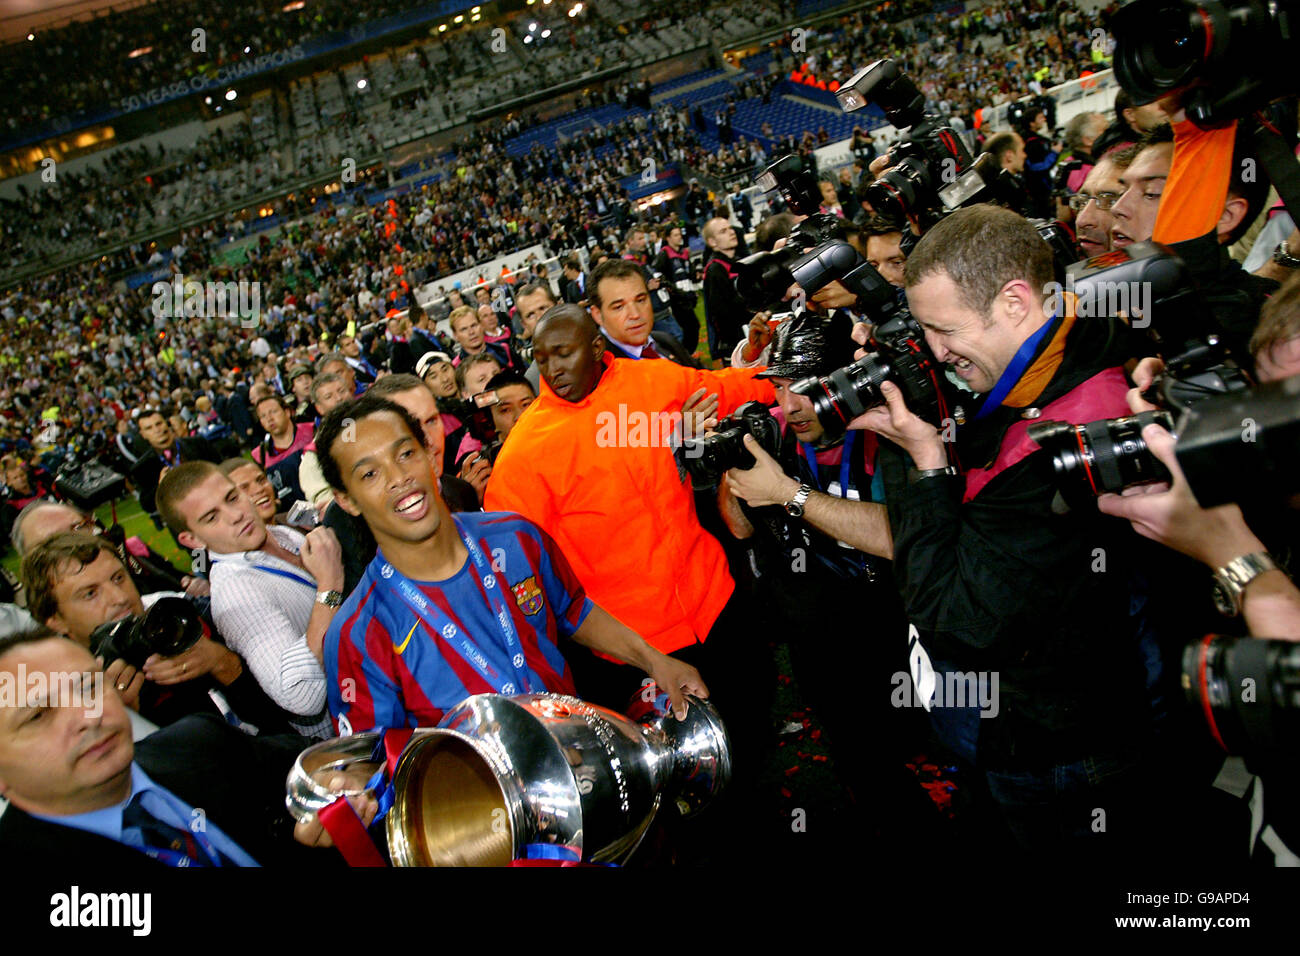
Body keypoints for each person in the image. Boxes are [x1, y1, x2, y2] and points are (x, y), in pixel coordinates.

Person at [726, 205, 1162, 860]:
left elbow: (954, 616)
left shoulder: (1071, 432)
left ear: (1016, 302)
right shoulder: (1036, 372)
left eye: (942, 330)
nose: (934, 355)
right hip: (1021, 726)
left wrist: (920, 456)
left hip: (1065, 746)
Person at [484, 305, 777, 790]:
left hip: (717, 604)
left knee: (753, 731)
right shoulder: (523, 457)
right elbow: (520, 578)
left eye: (564, 353)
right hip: (633, 654)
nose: (551, 369)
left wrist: (789, 377)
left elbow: (733, 389)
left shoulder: (654, 381)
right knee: (681, 788)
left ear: (597, 349)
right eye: (540, 357)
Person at [314, 394, 707, 733]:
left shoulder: (515, 536)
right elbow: (376, 763)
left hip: (584, 755)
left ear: (430, 456)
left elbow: (573, 609)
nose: (399, 477)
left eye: (405, 454)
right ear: (345, 500)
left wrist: (653, 660)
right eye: (369, 473)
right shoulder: (356, 635)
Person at [0, 630, 318, 867]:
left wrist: (336, 795)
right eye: (38, 715)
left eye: (89, 687)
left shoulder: (198, 743)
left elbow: (326, 765)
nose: (88, 716)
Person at [21, 532, 292, 735]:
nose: (120, 598)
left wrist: (225, 665)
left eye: (118, 578)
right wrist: (124, 724)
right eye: (90, 593)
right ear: (54, 620)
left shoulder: (180, 623)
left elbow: (284, 729)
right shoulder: (62, 704)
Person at [155, 462, 341, 738]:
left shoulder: (278, 533)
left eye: (232, 497)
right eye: (211, 517)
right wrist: (330, 587)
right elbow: (299, 694)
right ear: (192, 539)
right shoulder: (235, 594)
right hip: (347, 733)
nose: (236, 515)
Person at [321, 374, 480, 598]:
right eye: (409, 426)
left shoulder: (462, 491)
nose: (429, 441)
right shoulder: (343, 524)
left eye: (432, 420)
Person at [588, 258, 698, 367]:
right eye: (619, 307)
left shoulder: (666, 341)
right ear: (598, 315)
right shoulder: (597, 371)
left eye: (640, 300)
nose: (635, 314)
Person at [127, 408, 220, 527]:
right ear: (143, 435)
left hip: (215, 505)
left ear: (166, 423)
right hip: (186, 525)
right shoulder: (142, 467)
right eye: (149, 428)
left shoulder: (198, 443)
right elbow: (147, 505)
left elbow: (221, 468)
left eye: (159, 423)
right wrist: (161, 487)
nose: (157, 430)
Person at [250, 389, 315, 510]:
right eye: (263, 416)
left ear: (287, 412)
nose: (269, 419)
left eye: (273, 412)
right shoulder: (260, 456)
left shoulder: (312, 431)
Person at [701, 217, 755, 362]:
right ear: (712, 242)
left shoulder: (737, 261)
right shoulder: (715, 269)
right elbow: (720, 313)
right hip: (736, 341)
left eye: (730, 228)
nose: (731, 233)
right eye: (723, 231)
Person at [653, 224, 700, 355]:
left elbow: (687, 273)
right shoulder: (664, 254)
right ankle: (684, 355)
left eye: (680, 234)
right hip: (677, 300)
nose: (679, 237)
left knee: (692, 327)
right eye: (676, 235)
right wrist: (673, 290)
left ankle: (685, 355)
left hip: (688, 297)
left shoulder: (684, 253)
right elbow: (659, 275)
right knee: (690, 327)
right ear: (668, 238)